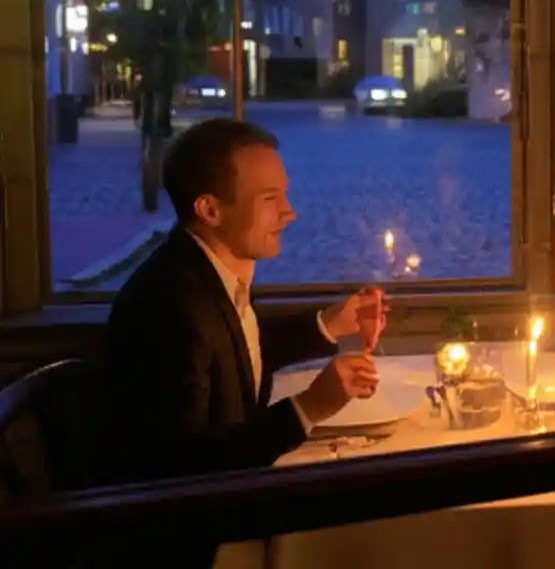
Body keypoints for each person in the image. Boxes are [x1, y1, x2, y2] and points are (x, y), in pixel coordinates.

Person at [101, 118, 387, 490]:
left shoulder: (206, 271)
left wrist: (328, 325)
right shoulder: (168, 306)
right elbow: (181, 471)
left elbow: (238, 353)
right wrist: (309, 407)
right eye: (270, 198)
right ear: (210, 210)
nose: (290, 212)